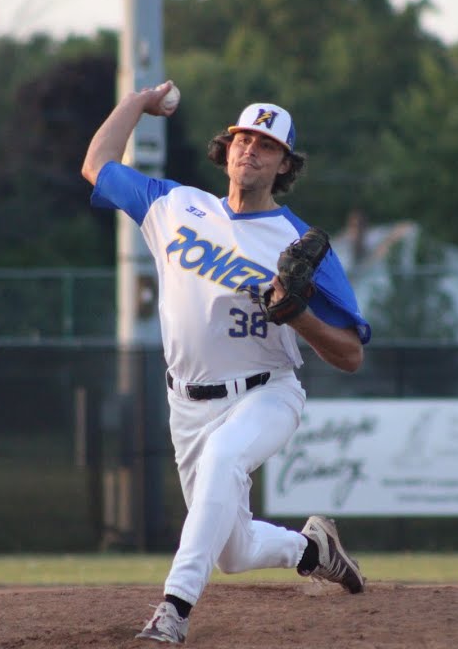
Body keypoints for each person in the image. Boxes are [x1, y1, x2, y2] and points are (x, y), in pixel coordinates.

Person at [80, 80, 372, 644]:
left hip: (267, 393)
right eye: (243, 138)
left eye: (265, 145)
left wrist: (299, 316)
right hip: (186, 403)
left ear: (285, 163)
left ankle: (173, 612)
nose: (249, 150)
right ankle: (315, 550)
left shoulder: (297, 240)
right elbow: (96, 164)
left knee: (223, 460)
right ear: (227, 146)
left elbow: (351, 355)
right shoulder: (175, 206)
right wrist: (139, 102)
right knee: (233, 552)